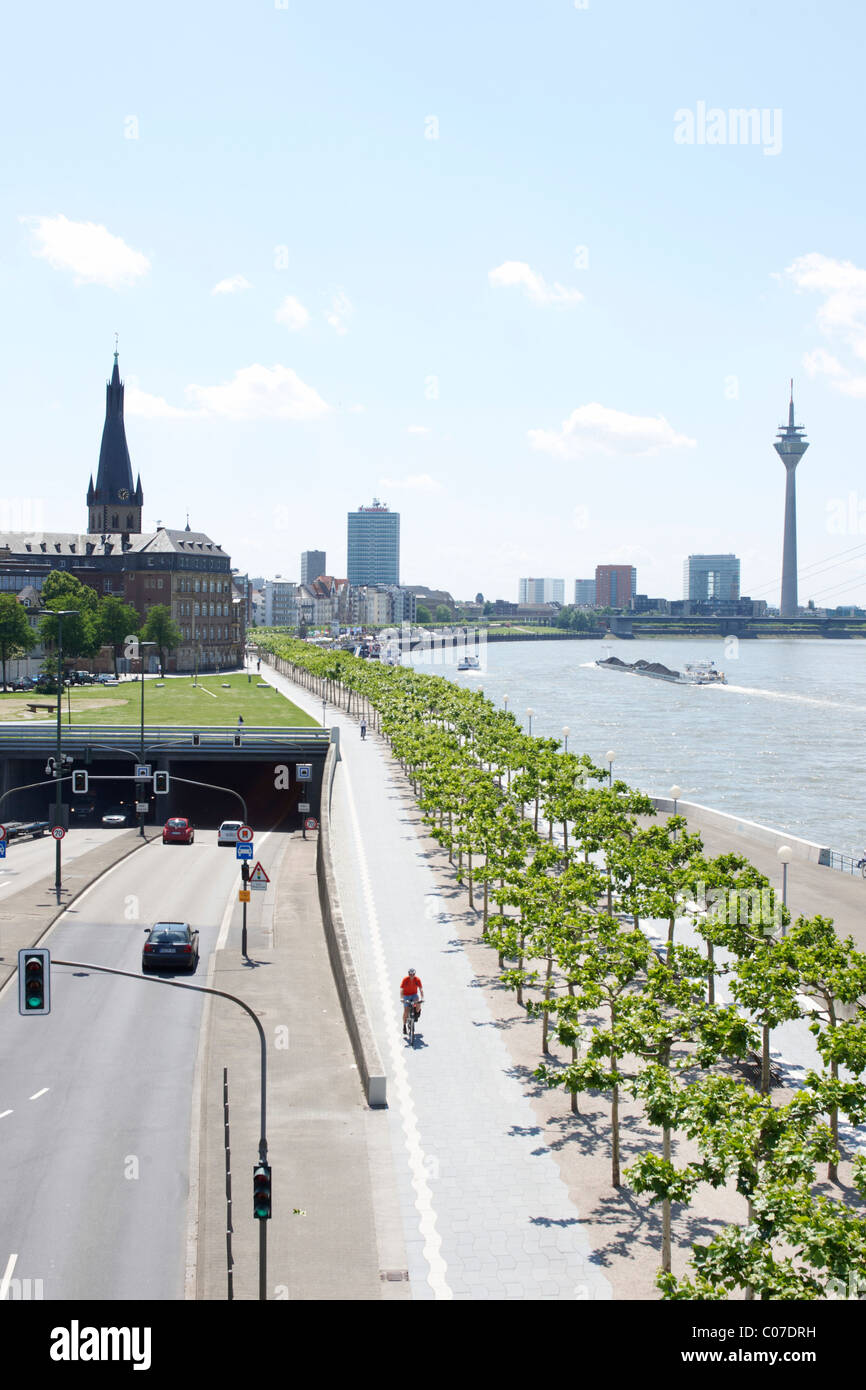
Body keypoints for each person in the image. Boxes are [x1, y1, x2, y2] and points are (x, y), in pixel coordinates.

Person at [400, 968, 423, 1034]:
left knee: (418, 1002)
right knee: (406, 1011)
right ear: (408, 974)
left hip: (414, 995)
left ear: (414, 974)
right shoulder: (405, 979)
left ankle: (416, 1013)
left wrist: (422, 997)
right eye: (410, 974)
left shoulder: (417, 980)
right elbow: (402, 989)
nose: (412, 976)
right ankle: (404, 1026)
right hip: (406, 995)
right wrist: (402, 998)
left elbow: (421, 989)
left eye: (413, 974)